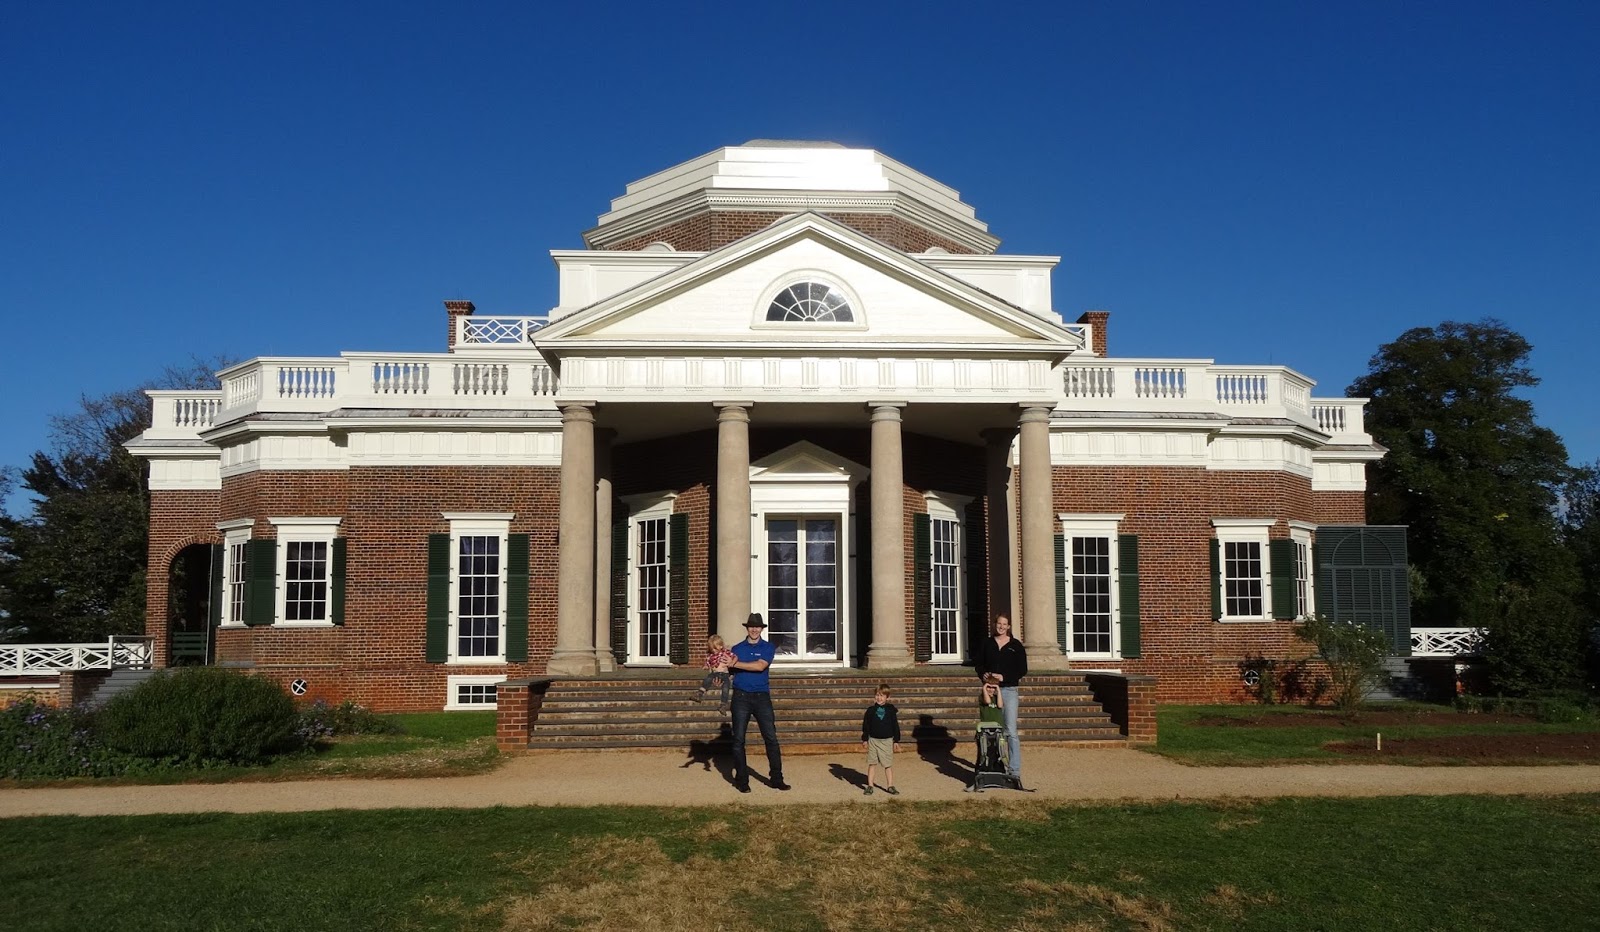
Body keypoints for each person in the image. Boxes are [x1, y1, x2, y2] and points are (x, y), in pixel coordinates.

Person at [727, 612, 789, 793]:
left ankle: (777, 779)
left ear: (761, 629)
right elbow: (729, 672)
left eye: (757, 627)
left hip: (762, 697)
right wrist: (721, 674)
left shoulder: (768, 647)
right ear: (747, 628)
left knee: (771, 739)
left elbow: (760, 666)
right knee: (738, 740)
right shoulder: (737, 648)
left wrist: (736, 664)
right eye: (751, 626)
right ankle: (742, 781)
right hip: (740, 697)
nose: (754, 630)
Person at [974, 613, 1027, 788]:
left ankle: (1014, 770)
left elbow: (1022, 670)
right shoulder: (987, 643)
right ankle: (989, 766)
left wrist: (1004, 676)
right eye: (999, 623)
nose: (1001, 627)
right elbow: (978, 663)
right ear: (994, 624)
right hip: (990, 689)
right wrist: (983, 674)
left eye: (1005, 624)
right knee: (989, 729)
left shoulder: (1016, 646)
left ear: (1009, 626)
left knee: (1010, 730)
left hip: (1008, 690)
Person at [859, 683, 902, 796]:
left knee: (887, 764)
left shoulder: (891, 711)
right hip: (873, 740)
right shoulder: (870, 711)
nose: (879, 698)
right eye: (877, 695)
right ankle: (870, 786)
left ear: (887, 697)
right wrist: (865, 739)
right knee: (872, 764)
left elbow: (895, 725)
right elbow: (866, 725)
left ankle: (890, 785)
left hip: (887, 741)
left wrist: (896, 740)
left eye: (882, 696)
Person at [695, 634, 736, 712]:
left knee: (725, 688)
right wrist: (706, 666)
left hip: (725, 674)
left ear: (720, 646)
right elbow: (708, 662)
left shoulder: (726, 652)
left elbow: (735, 656)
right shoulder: (711, 655)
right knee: (708, 679)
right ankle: (700, 692)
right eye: (712, 649)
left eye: (715, 648)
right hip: (715, 673)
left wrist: (732, 663)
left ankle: (723, 704)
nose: (713, 651)